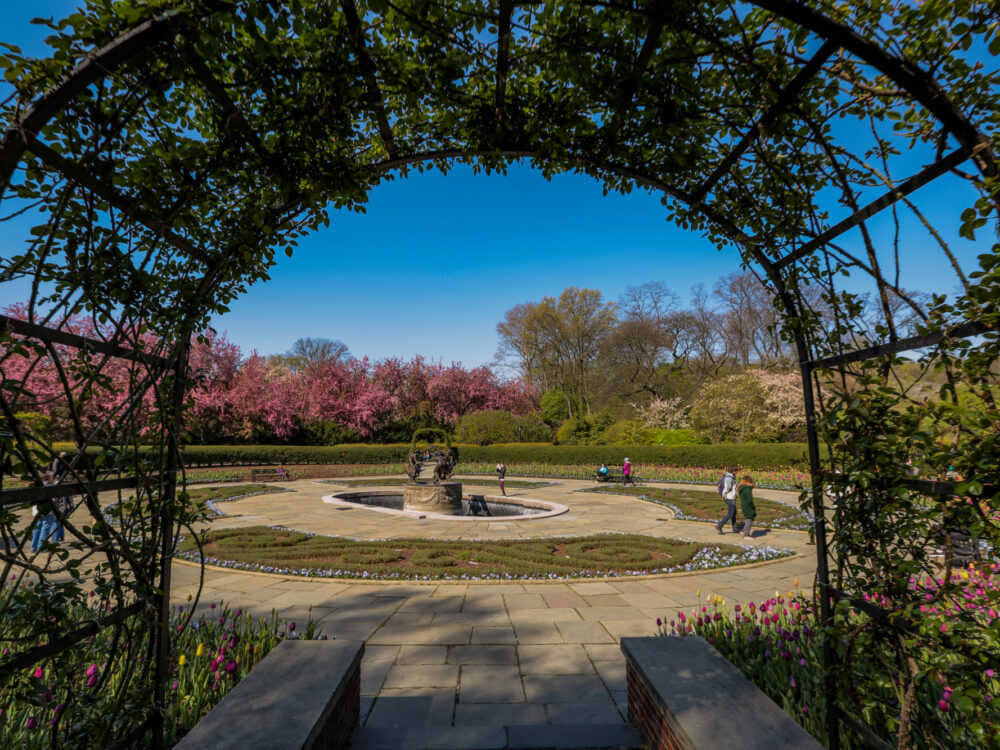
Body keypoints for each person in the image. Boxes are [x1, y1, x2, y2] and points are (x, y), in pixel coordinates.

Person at [31, 475, 58, 552]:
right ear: (49, 478)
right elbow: (56, 499)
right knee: (45, 528)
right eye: (52, 477)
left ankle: (33, 546)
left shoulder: (35, 486)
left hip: (36, 509)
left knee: (36, 528)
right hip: (47, 510)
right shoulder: (50, 486)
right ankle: (41, 547)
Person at [715, 466, 739, 534]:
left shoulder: (730, 477)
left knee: (734, 512)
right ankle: (720, 526)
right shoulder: (729, 478)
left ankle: (735, 528)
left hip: (731, 497)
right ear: (733, 471)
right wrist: (723, 495)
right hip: (730, 497)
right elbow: (727, 488)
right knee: (731, 513)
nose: (737, 472)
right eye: (736, 471)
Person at [738, 475, 756, 539]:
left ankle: (744, 530)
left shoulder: (741, 487)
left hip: (743, 504)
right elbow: (749, 499)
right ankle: (746, 534)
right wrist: (752, 506)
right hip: (747, 505)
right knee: (750, 518)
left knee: (748, 517)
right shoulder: (747, 488)